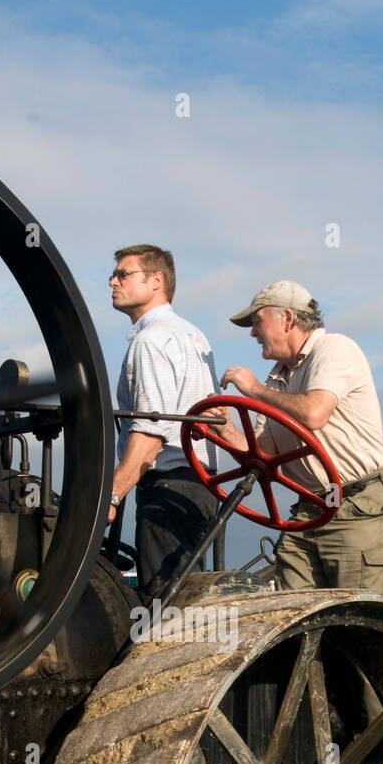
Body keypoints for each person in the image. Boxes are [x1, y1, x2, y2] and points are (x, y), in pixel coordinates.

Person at [218, 280, 383, 594]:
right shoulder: (276, 378)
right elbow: (263, 455)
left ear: (287, 319)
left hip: (357, 507)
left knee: (354, 620)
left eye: (256, 322)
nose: (252, 333)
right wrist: (225, 429)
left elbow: (314, 414)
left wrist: (253, 392)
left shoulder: (335, 349)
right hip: (310, 509)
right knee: (294, 613)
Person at [109, 244, 218, 599]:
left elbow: (151, 432)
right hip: (200, 488)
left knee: (164, 606)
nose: (113, 281)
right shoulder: (192, 334)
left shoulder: (151, 341)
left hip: (168, 487)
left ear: (156, 280)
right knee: (186, 600)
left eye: (123, 274)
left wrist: (110, 496)